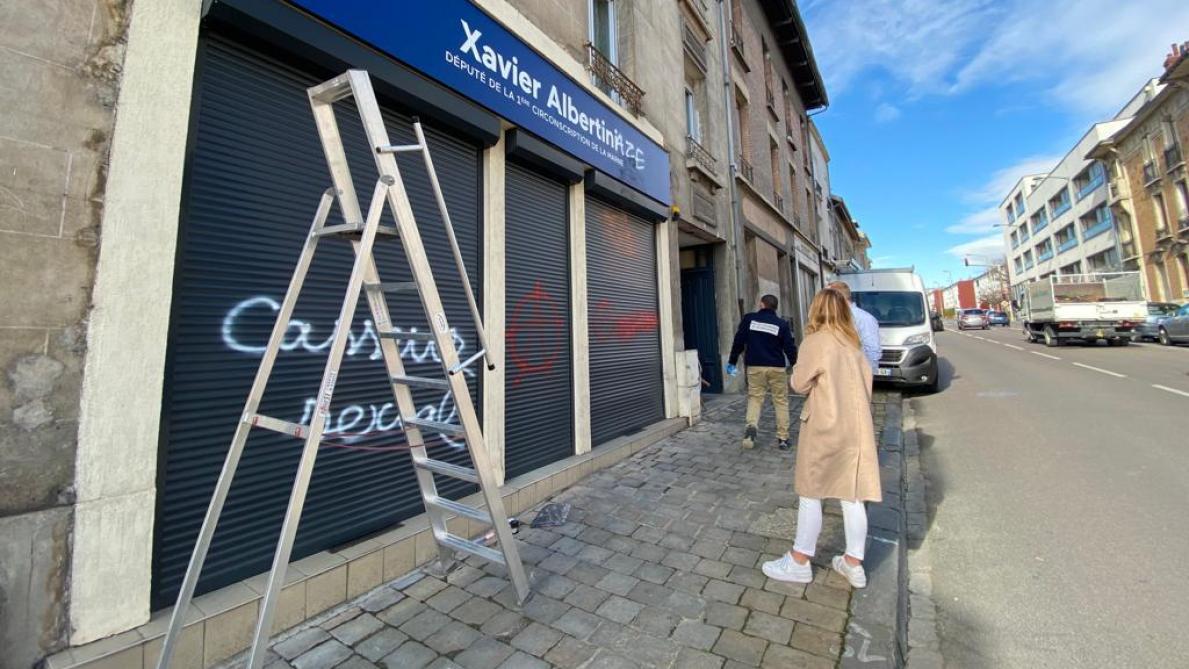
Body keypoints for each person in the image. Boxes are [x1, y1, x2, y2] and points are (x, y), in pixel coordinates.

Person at [761, 287, 881, 588]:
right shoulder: (853, 345)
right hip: (857, 428)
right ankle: (854, 563)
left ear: (816, 309)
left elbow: (800, 383)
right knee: (852, 495)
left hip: (825, 425)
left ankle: (800, 560)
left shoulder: (817, 341)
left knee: (811, 492)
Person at [726, 294, 798, 450]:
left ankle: (751, 426)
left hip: (755, 366)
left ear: (761, 304)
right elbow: (789, 348)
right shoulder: (781, 324)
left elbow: (739, 341)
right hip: (776, 367)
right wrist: (796, 366)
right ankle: (783, 438)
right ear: (775, 307)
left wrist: (732, 361)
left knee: (755, 398)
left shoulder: (749, 319)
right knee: (780, 401)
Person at [827, 281, 880, 370]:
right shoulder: (831, 317)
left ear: (838, 297)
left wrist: (865, 377)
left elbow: (872, 351)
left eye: (827, 297)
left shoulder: (864, 318)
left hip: (857, 376)